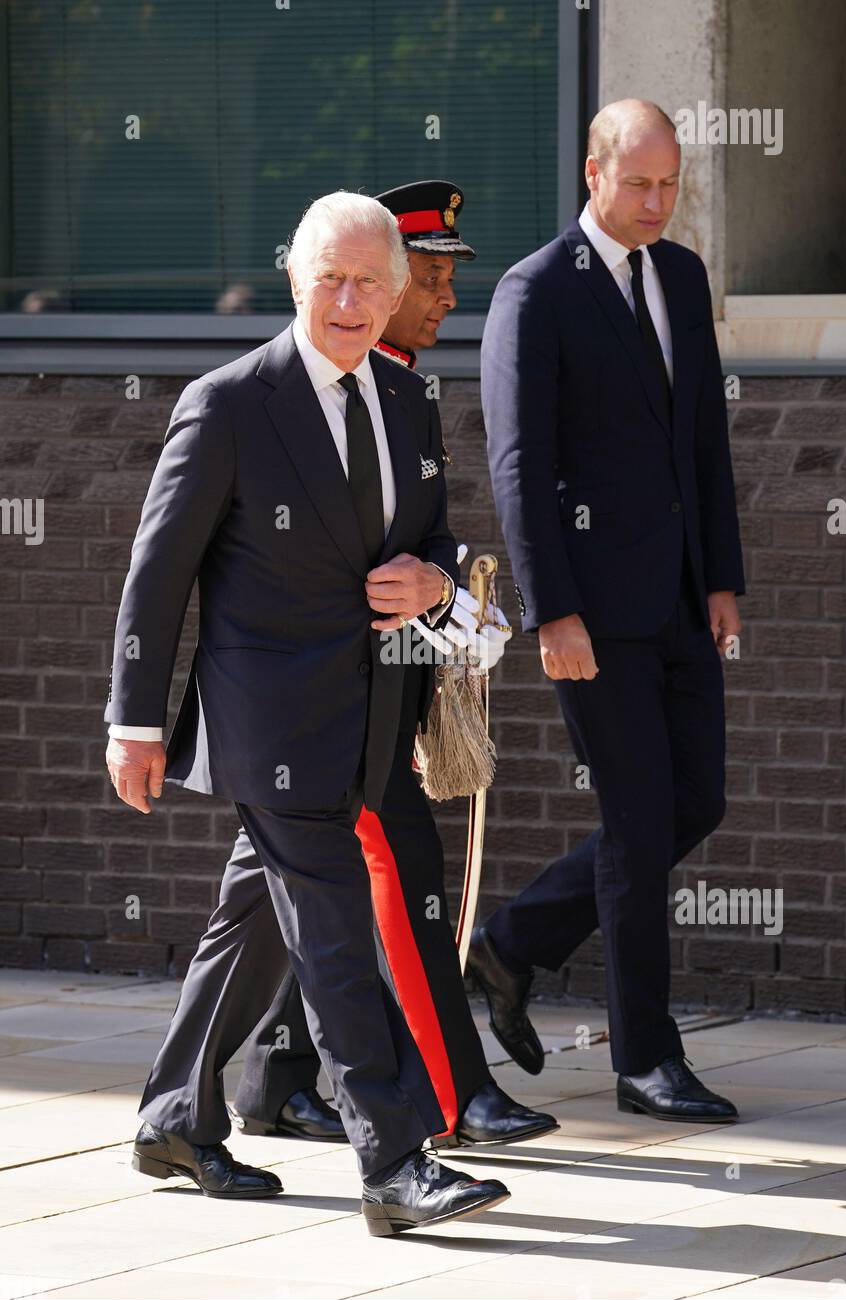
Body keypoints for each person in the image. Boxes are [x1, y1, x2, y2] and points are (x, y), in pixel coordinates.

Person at [106, 191, 513, 1236]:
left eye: (370, 281)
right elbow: (158, 574)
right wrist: (134, 720)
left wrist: (431, 583)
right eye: (329, 278)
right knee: (331, 930)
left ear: (397, 289)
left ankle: (174, 1115)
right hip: (268, 723)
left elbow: (427, 540)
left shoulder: (408, 399)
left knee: (256, 925)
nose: (349, 299)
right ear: (294, 279)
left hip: (370, 717)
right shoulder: (230, 402)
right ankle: (395, 1160)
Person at [211, 182, 553, 1157]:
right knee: (398, 880)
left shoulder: (401, 390)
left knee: (280, 906)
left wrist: (446, 620)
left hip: (377, 684)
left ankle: (257, 1082)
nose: (445, 298)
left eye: (441, 279)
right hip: (321, 707)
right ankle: (451, 1094)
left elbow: (417, 552)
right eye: (432, 279)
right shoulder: (324, 391)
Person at [471, 100, 745, 1124]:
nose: (656, 203)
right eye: (638, 184)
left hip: (678, 595)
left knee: (695, 803)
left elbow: (702, 442)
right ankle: (645, 1060)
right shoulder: (535, 291)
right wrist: (553, 610)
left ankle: (510, 946)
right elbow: (518, 465)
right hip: (592, 610)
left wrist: (720, 578)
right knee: (636, 822)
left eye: (671, 185)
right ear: (593, 173)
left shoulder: (679, 274)